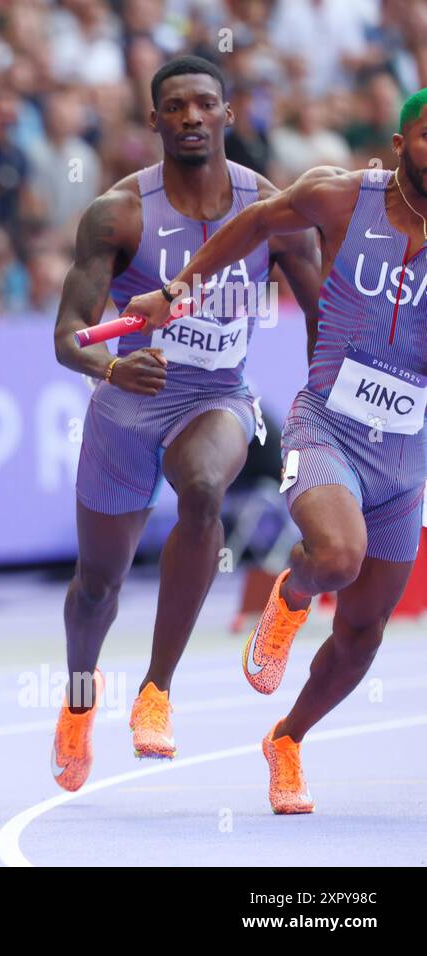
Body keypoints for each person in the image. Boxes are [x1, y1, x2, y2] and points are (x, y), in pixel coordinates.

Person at [123, 89, 427, 815]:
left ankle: (287, 741)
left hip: (406, 459)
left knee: (362, 633)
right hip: (328, 428)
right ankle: (291, 595)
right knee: (337, 555)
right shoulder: (341, 197)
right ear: (399, 141)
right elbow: (258, 219)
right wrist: (179, 286)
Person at [51, 56, 321, 792]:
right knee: (96, 588)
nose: (192, 117)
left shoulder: (272, 212)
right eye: (176, 107)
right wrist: (111, 368)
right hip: (127, 403)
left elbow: (324, 323)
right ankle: (79, 700)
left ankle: (156, 689)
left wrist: (328, 414)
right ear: (155, 121)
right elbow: (68, 334)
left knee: (202, 486)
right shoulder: (118, 213)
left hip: (219, 397)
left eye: (206, 104)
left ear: (228, 115)